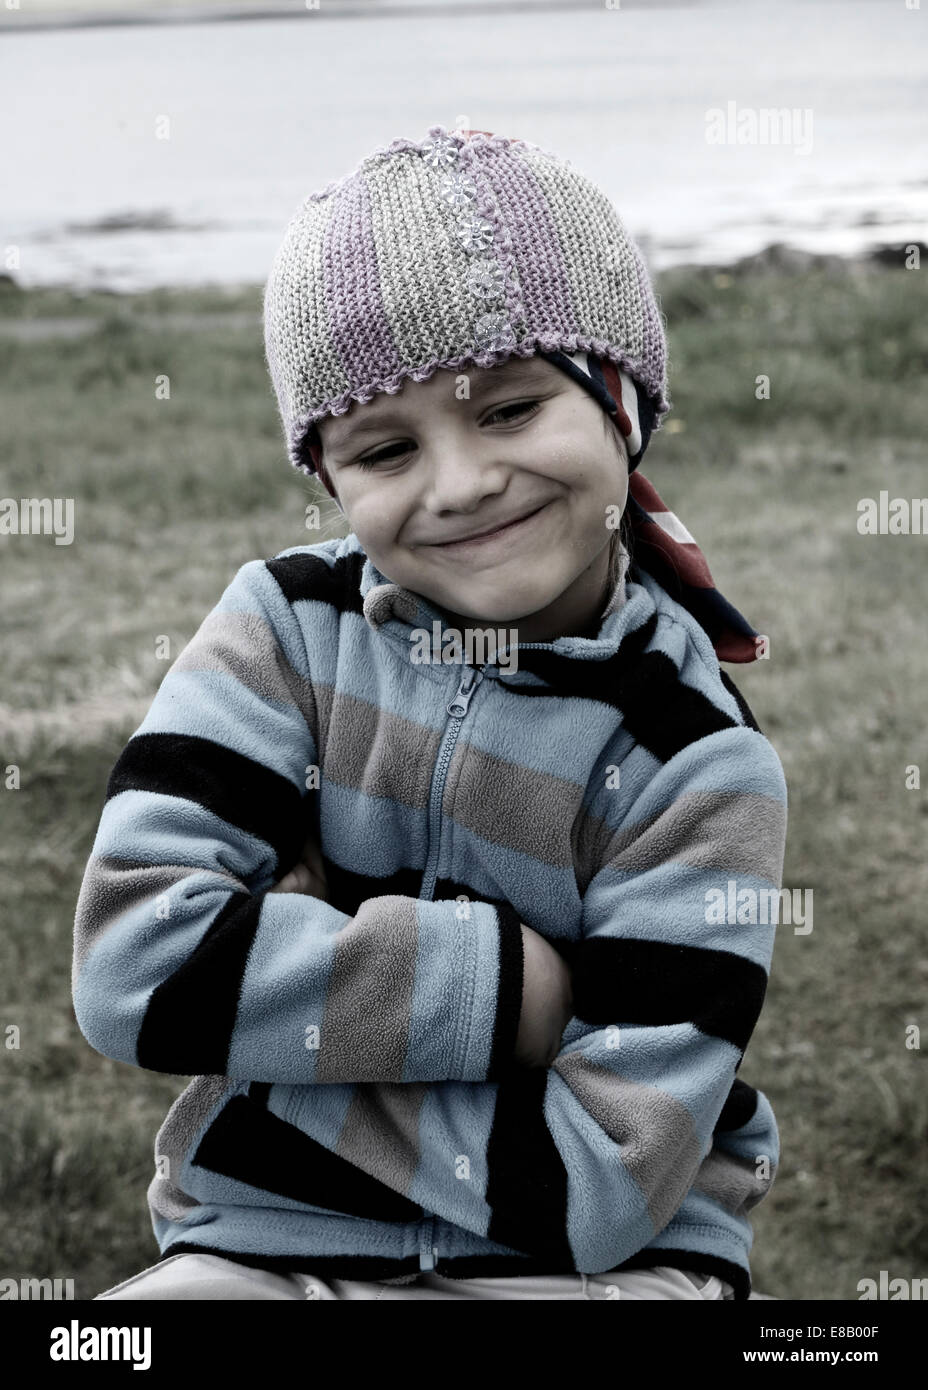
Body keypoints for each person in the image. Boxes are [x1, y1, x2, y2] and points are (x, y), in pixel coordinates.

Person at [74, 125, 787, 1302]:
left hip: (598, 1273)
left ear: (623, 403)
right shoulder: (286, 625)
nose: (458, 484)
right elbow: (132, 973)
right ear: (329, 478)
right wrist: (510, 988)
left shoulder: (695, 760)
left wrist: (282, 1019)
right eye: (386, 446)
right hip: (263, 1243)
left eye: (508, 409)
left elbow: (597, 1181)